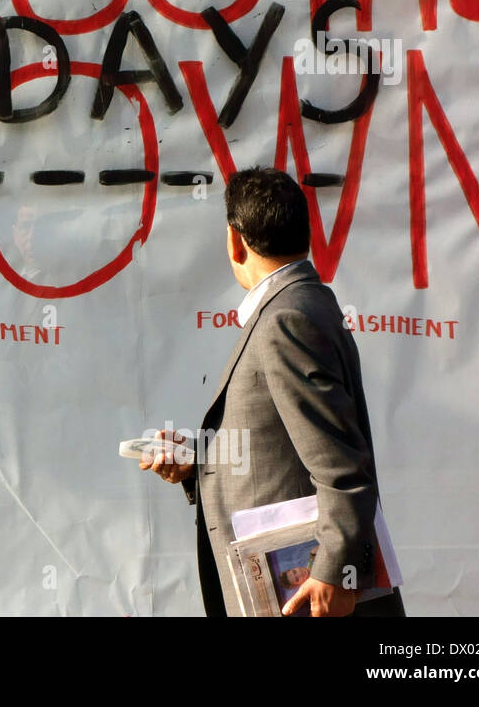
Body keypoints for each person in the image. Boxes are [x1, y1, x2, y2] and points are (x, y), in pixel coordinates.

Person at [142, 167, 404, 617]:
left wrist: (333, 571)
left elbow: (341, 465)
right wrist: (198, 463)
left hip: (311, 598)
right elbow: (281, 445)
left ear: (234, 240)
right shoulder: (303, 303)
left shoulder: (286, 319)